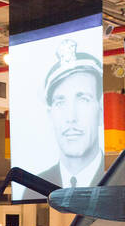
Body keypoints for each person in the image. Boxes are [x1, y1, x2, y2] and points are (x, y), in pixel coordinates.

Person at [37, 38, 105, 189]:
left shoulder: (117, 180)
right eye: (60, 103)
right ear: (50, 116)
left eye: (83, 100)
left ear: (100, 111)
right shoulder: (34, 187)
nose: (71, 118)